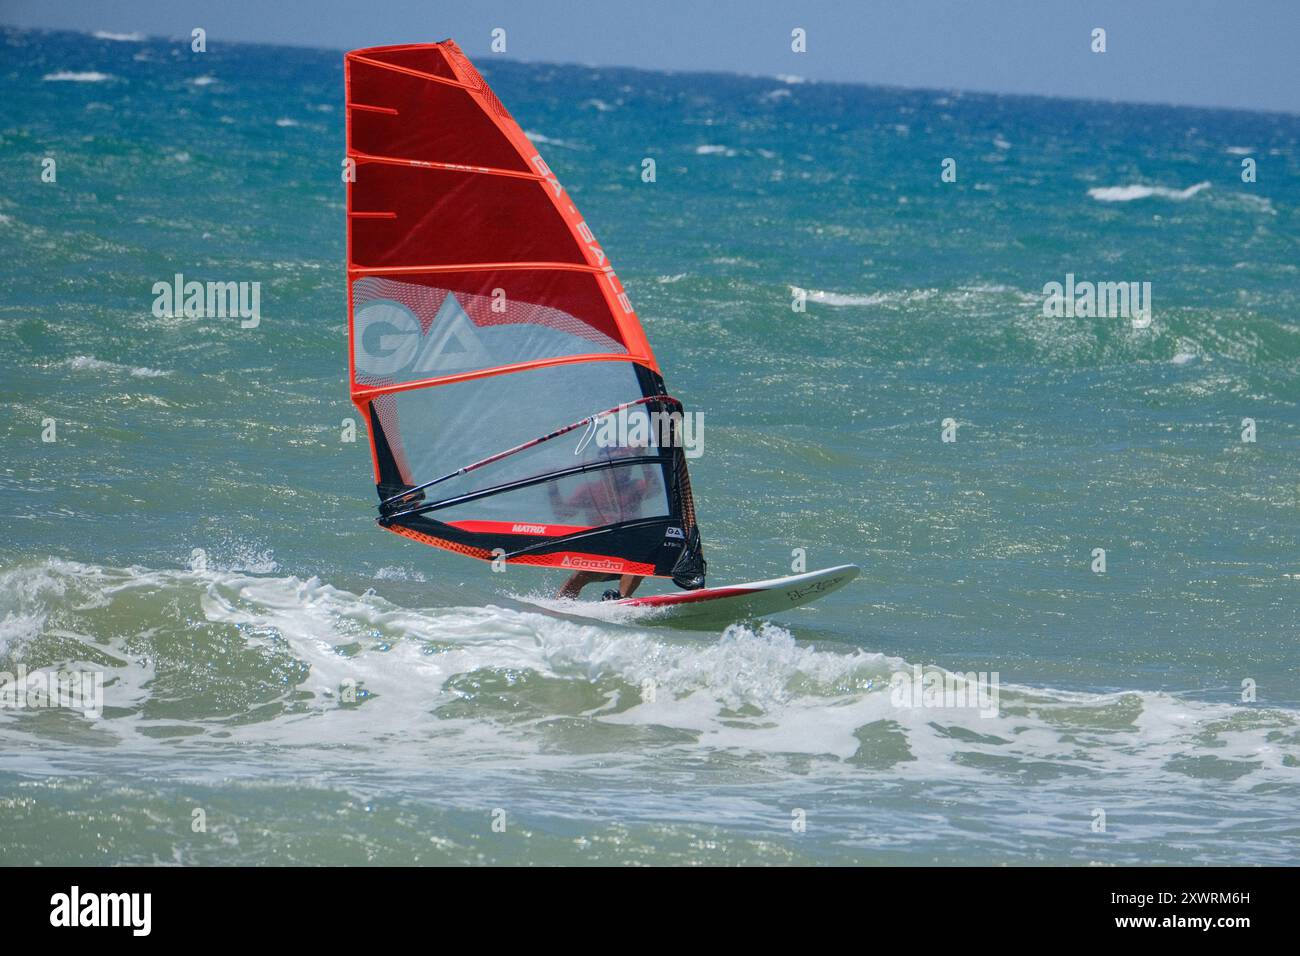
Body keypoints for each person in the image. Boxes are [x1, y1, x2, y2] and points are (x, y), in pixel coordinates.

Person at [553, 438, 657, 601]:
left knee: (639, 559)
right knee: (580, 575)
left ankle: (620, 601)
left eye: (627, 464)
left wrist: (642, 457)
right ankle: (559, 605)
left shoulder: (635, 486)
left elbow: (655, 489)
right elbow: (562, 513)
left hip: (630, 548)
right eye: (620, 464)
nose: (627, 468)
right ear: (606, 468)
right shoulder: (589, 490)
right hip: (601, 549)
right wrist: (552, 486)